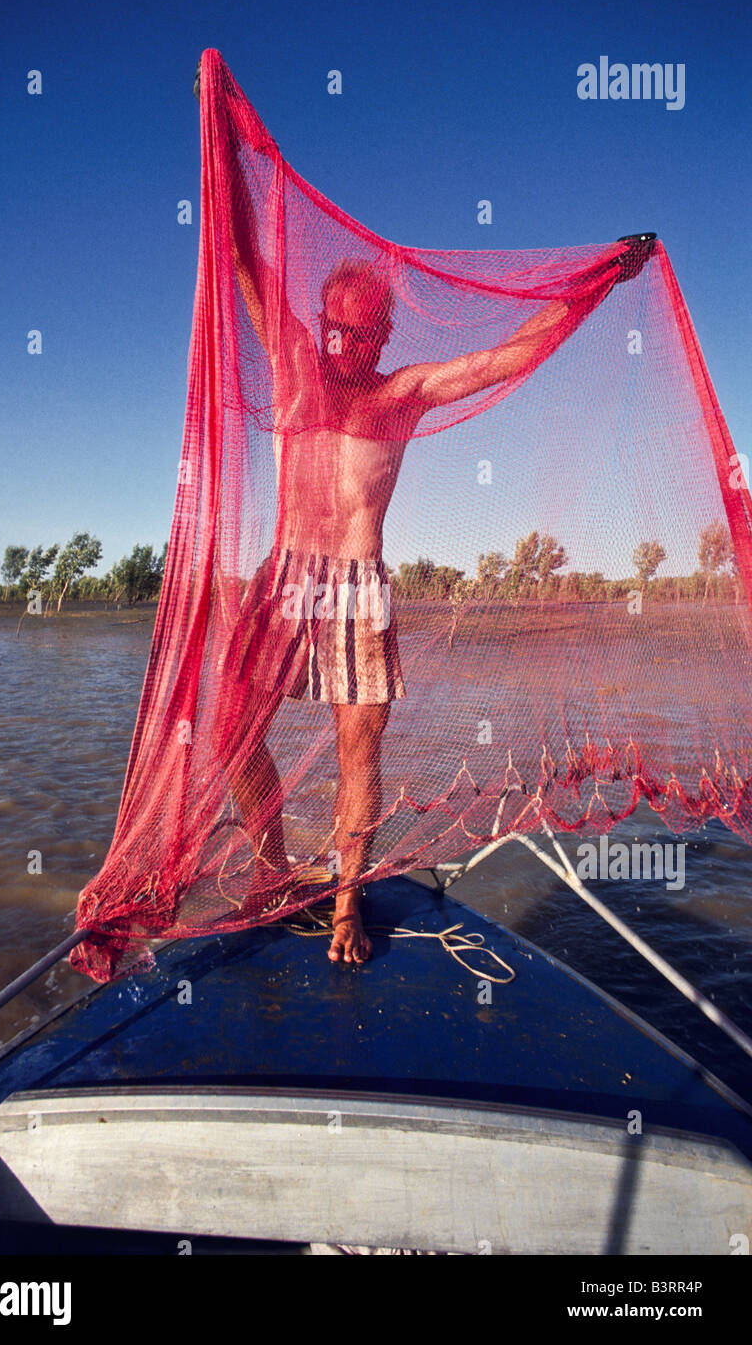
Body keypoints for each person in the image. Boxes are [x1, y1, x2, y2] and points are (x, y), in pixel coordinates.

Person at [200, 67, 653, 963]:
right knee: (229, 729)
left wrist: (597, 280)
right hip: (287, 577)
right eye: (331, 325)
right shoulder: (293, 368)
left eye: (356, 332)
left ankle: (342, 909)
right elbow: (248, 265)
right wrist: (223, 140)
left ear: (381, 338)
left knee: (357, 755)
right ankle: (271, 869)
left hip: (357, 589)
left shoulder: (403, 393)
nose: (339, 342)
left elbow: (504, 357)